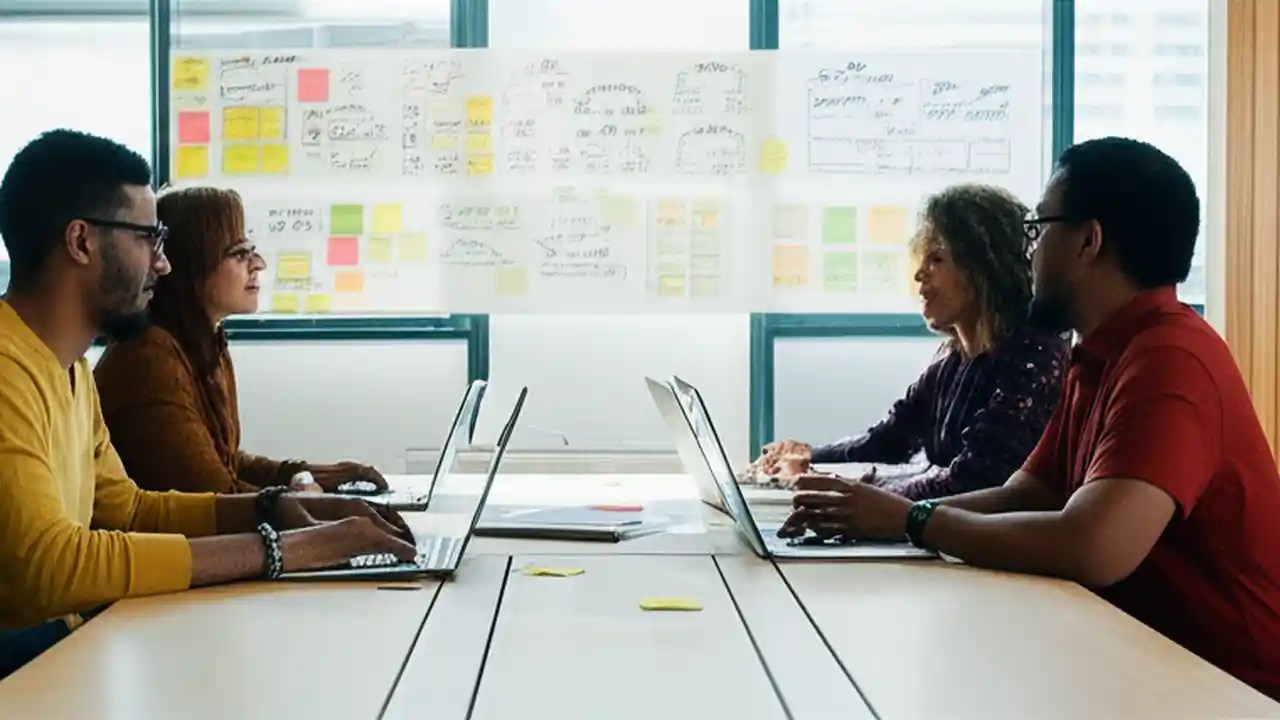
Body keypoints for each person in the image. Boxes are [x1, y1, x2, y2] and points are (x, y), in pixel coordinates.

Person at [779, 137, 1280, 701]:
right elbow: (1028, 492)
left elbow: (1093, 546)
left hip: (1226, 689)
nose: (1029, 252)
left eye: (1038, 230)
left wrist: (913, 523)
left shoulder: (1171, 359)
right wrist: (884, 516)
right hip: (1136, 660)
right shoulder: (1103, 354)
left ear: (1088, 241)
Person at [0, 129, 417, 678]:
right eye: (149, 238)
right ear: (81, 242)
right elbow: (52, 567)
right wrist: (285, 550)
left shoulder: (69, 365)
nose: (163, 265)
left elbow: (128, 511)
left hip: (62, 653)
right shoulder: (8, 370)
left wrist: (273, 508)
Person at [754, 184, 1068, 500]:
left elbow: (973, 480)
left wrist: (854, 491)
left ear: (984, 269)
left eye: (937, 259)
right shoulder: (952, 359)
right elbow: (888, 441)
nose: (919, 274)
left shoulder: (1033, 358)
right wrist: (808, 460)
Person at [94, 186, 386, 495]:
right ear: (193, 267)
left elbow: (225, 461)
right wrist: (303, 503)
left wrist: (308, 475)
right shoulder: (149, 357)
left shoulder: (204, 340)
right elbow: (215, 498)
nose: (258, 264)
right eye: (239, 254)